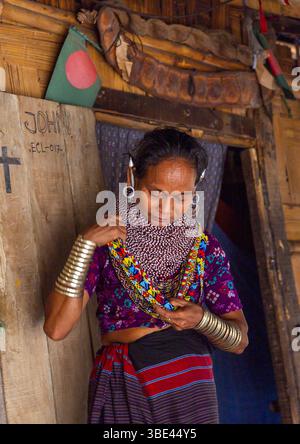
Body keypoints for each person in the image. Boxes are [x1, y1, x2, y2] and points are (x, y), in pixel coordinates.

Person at [43, 126, 249, 424]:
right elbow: (56, 328)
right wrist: (84, 245)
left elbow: (239, 341)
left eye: (181, 197)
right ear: (132, 180)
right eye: (156, 193)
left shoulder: (206, 249)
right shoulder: (107, 242)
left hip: (191, 391)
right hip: (127, 385)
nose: (167, 208)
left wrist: (201, 319)